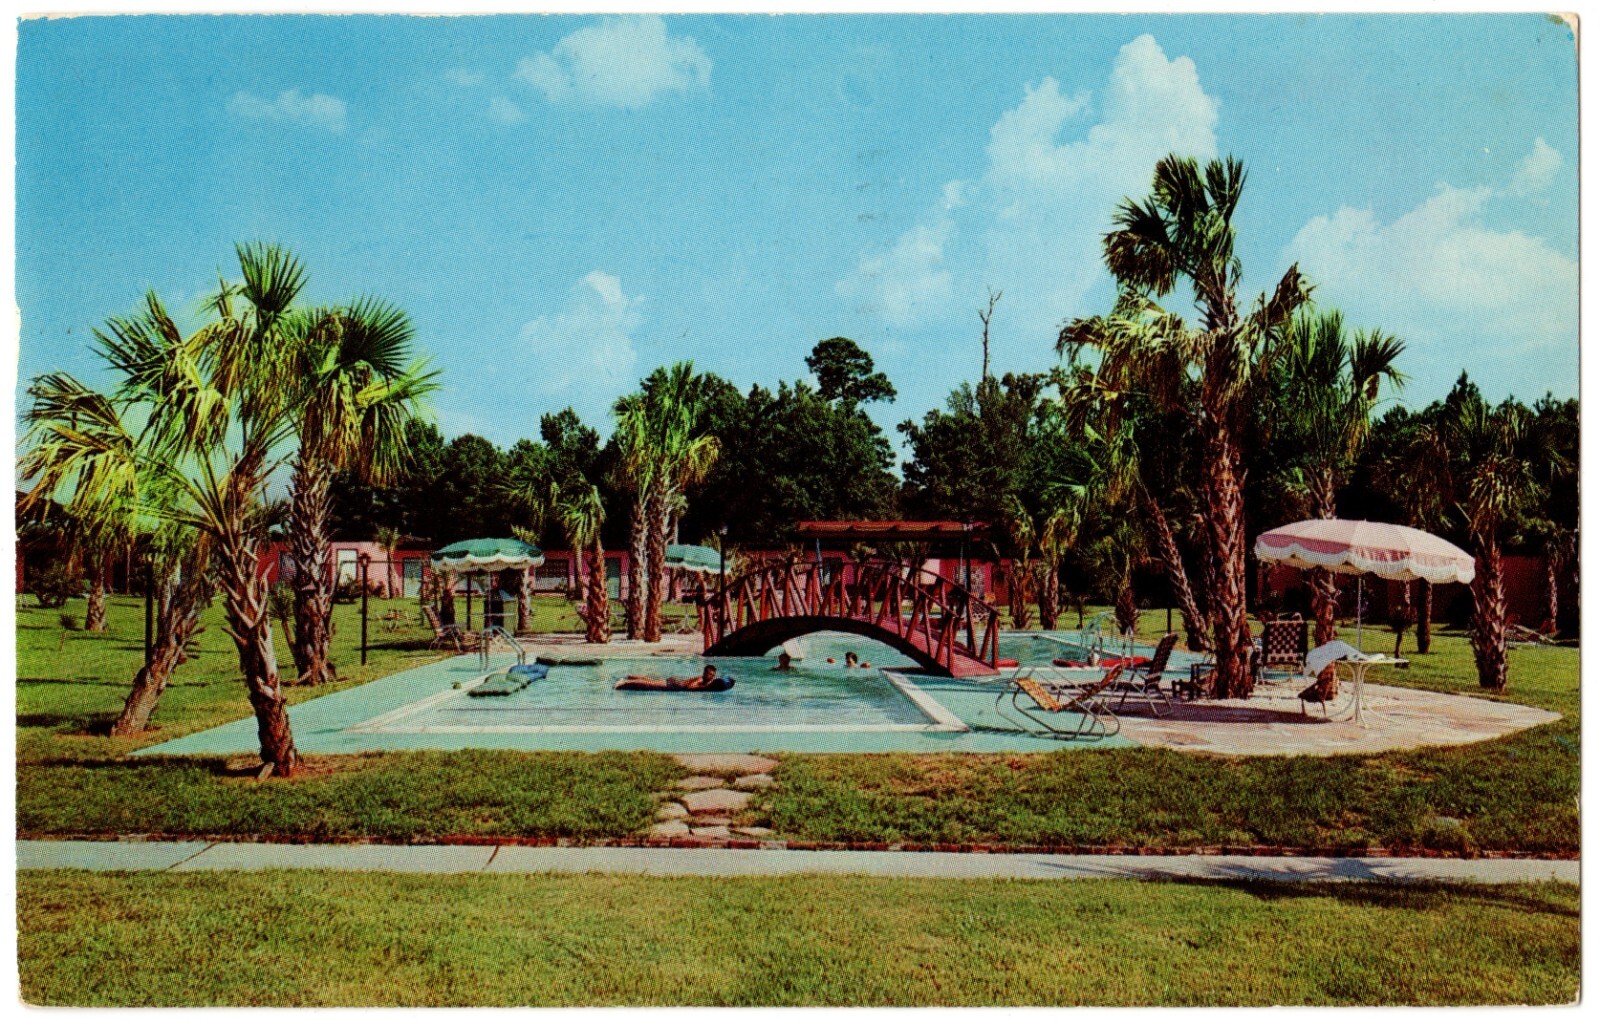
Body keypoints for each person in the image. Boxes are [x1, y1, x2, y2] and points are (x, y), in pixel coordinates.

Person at [615, 664, 734, 692]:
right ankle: (625, 681)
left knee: (650, 680)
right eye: (710, 674)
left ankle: (631, 677)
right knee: (650, 684)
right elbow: (689, 687)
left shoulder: (703, 679)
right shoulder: (701, 680)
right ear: (705, 673)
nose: (712, 677)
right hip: (675, 685)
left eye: (713, 675)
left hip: (675, 681)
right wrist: (703, 687)